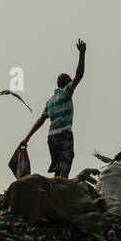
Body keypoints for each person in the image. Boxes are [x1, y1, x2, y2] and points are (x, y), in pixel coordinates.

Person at [20, 39, 86, 179]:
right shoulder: (66, 93)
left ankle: (54, 191)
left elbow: (40, 120)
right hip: (64, 135)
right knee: (65, 167)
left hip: (52, 137)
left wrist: (27, 138)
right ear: (68, 84)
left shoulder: (50, 102)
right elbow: (79, 75)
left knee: (57, 168)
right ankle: (61, 193)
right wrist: (82, 54)